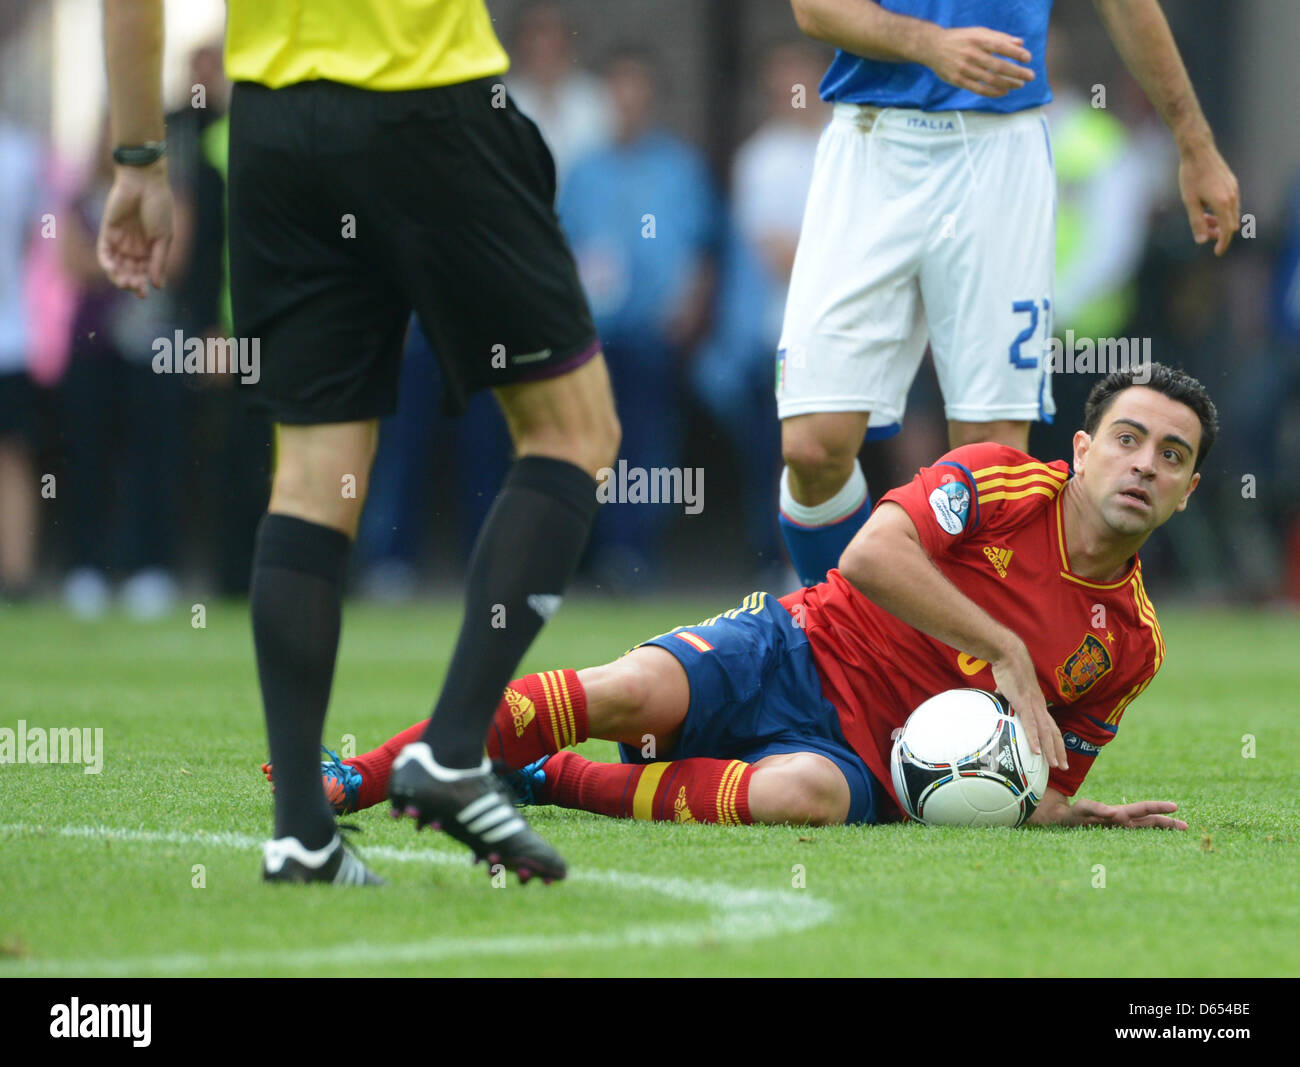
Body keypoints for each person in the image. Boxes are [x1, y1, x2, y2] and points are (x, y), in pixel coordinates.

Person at [96, 0, 620, 886]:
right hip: (428, 101)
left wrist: (141, 158)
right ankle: (453, 750)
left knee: (309, 476)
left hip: (271, 126)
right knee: (575, 428)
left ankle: (302, 830)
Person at [274, 364, 1210, 833]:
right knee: (628, 694)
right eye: (1127, 438)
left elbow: (1050, 765)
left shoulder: (1132, 644)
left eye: (1172, 456)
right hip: (799, 646)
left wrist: (1055, 807)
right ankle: (354, 777)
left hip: (875, 765)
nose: (1144, 464)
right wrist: (1004, 645)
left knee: (800, 794)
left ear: (1188, 491)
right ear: (1082, 451)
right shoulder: (1004, 480)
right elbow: (868, 557)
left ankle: (540, 778)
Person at [775, 0, 1240, 589]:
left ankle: (938, 667)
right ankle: (849, 635)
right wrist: (930, 44)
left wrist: (1193, 142)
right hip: (870, 141)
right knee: (814, 448)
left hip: (1000, 151)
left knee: (989, 460)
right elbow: (816, 10)